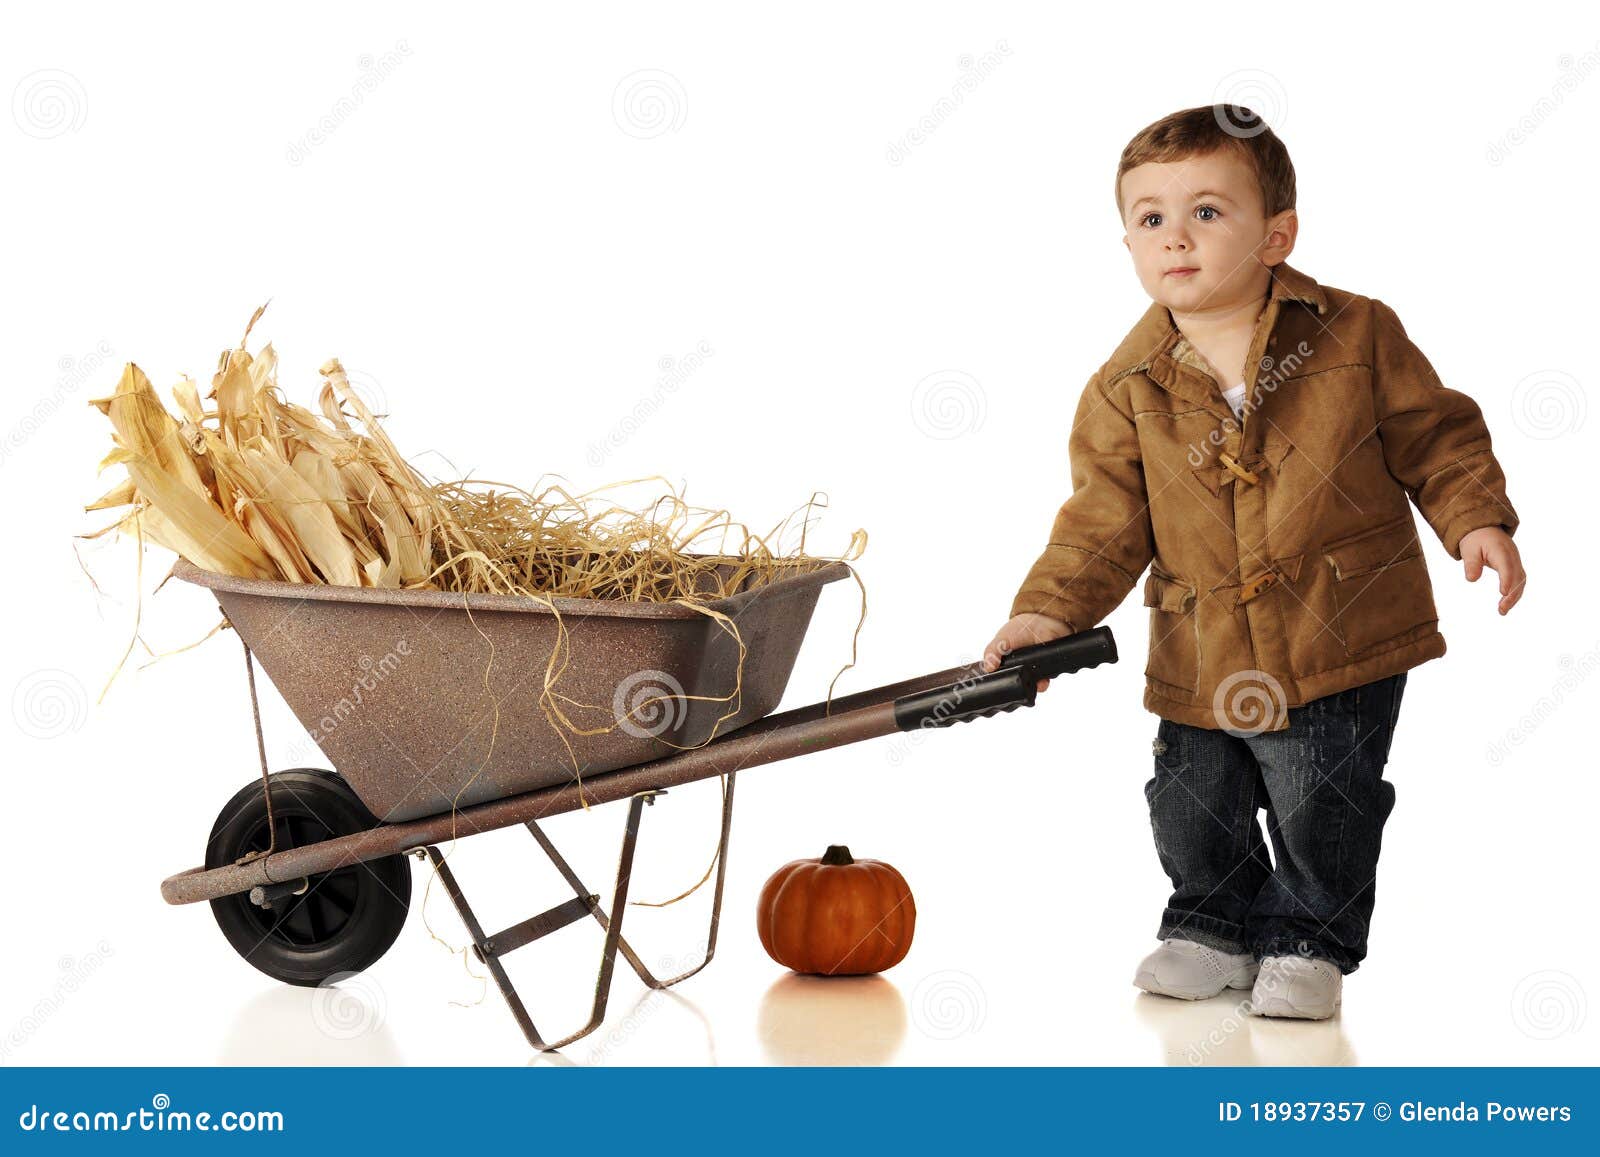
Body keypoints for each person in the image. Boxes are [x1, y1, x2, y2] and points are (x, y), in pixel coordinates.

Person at [980, 104, 1525, 1020]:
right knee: (1192, 795)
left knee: (1322, 793)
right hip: (1201, 639)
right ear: (1127, 244)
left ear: (1277, 235)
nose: (1176, 237)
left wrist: (1473, 519)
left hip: (1338, 627)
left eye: (1207, 212)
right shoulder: (1127, 385)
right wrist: (1051, 612)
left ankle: (1311, 936)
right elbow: (1102, 517)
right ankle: (1211, 923)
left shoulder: (1355, 334)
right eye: (1151, 218)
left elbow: (1435, 435)